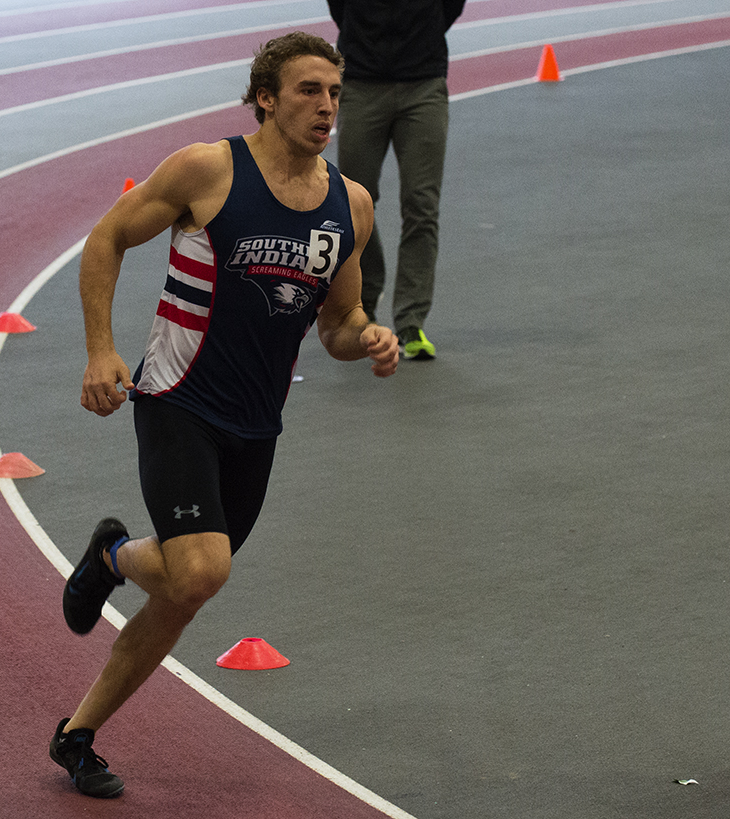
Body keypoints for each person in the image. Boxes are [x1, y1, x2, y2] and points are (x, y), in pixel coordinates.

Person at [49, 31, 399, 799]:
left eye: (335, 93)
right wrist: (100, 350)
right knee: (205, 566)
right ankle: (108, 583)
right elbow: (107, 237)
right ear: (266, 97)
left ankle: (81, 712)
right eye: (309, 90)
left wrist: (366, 336)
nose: (327, 106)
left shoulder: (353, 206)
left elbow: (338, 323)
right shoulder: (208, 169)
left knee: (186, 584)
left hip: (256, 426)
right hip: (178, 400)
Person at [328, 0, 466, 359]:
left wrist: (426, 31)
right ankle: (364, 304)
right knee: (352, 202)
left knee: (421, 204)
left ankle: (410, 320)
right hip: (361, 83)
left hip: (424, 84)